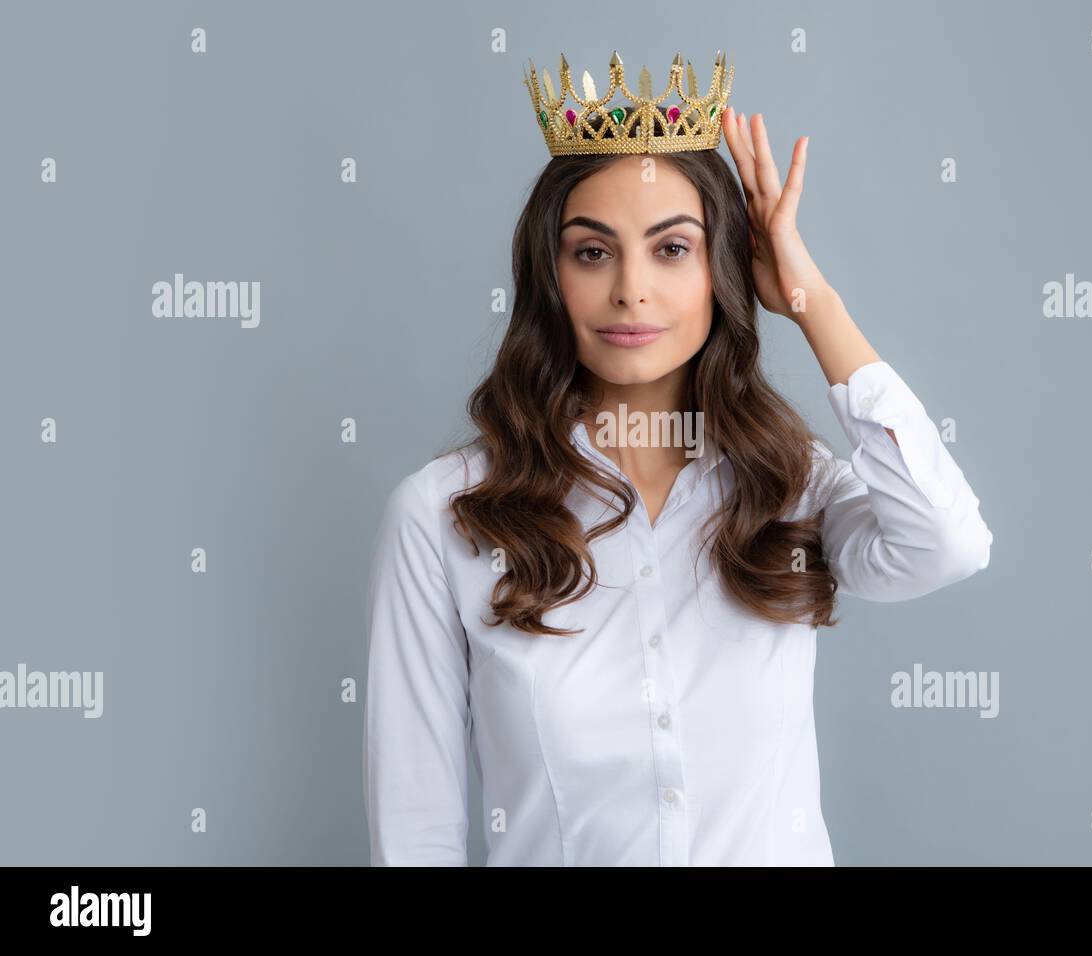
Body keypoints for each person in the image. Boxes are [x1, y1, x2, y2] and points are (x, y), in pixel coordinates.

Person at [363, 51, 993, 866]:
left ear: (720, 271)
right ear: (549, 275)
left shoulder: (791, 487)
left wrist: (813, 302)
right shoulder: (443, 514)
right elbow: (416, 825)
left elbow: (946, 544)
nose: (631, 289)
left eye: (671, 249)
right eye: (592, 252)